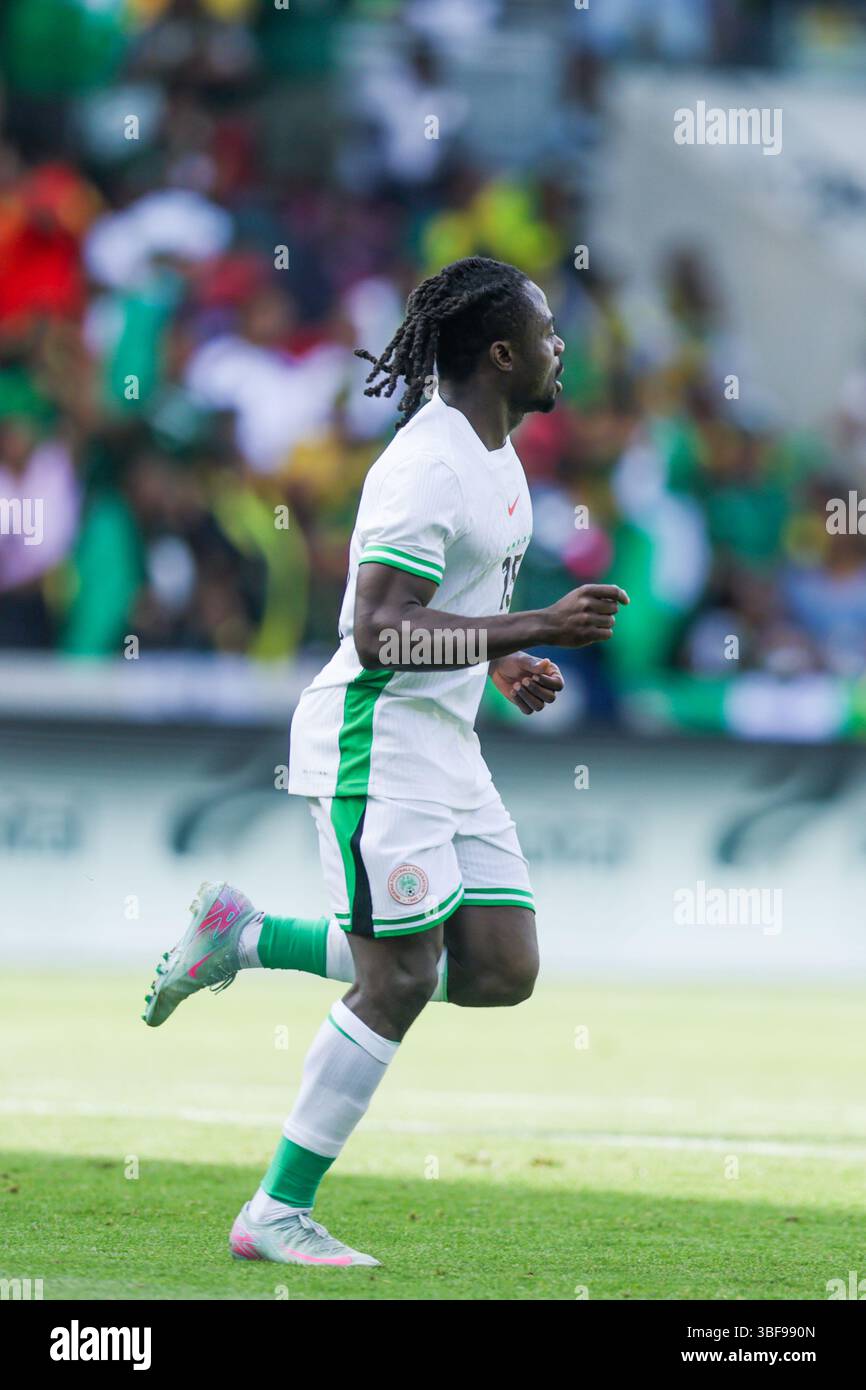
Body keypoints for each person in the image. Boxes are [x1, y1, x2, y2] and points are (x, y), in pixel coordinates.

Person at [142, 256, 629, 1266]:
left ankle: (246, 934)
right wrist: (536, 619)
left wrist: (505, 661)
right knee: (399, 976)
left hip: (445, 746)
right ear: (500, 354)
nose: (559, 349)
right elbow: (377, 633)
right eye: (544, 335)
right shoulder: (425, 466)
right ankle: (274, 1211)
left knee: (499, 969)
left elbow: (442, 614)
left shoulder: (497, 457)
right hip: (374, 741)